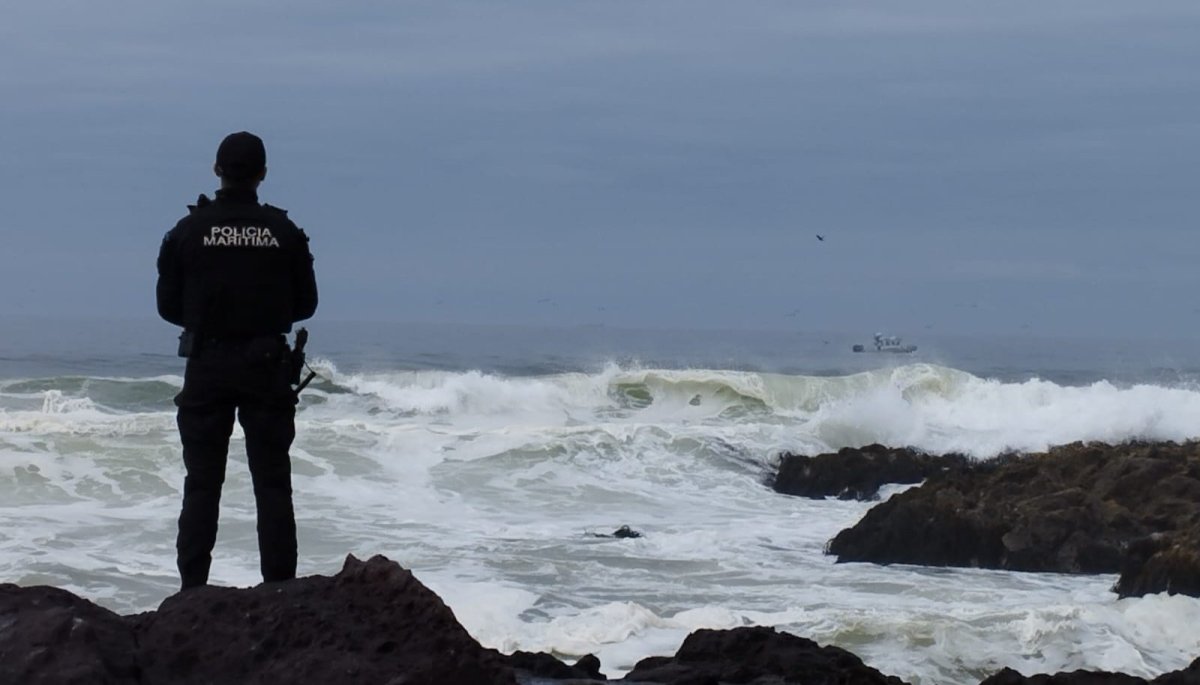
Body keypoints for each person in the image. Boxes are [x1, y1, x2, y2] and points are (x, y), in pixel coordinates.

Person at [156, 131, 318, 590]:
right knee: (272, 486)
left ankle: (192, 593)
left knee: (202, 485)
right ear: (263, 174)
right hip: (266, 367)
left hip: (206, 364)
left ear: (216, 170)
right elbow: (306, 304)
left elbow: (167, 307)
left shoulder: (187, 231)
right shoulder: (284, 232)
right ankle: (281, 591)